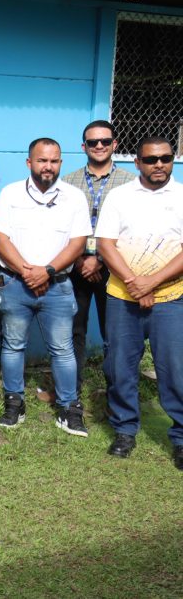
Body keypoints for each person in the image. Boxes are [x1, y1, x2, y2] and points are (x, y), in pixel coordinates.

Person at [0, 138, 91, 435]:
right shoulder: (11, 194)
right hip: (15, 284)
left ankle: (69, 408)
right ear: (29, 162)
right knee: (13, 345)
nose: (48, 166)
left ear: (60, 163)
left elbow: (78, 243)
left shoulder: (73, 197)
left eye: (55, 161)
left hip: (57, 286)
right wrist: (26, 271)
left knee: (62, 349)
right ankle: (14, 402)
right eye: (42, 160)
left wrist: (46, 271)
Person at [95, 136, 183, 470]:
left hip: (172, 299)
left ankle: (181, 438)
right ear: (137, 163)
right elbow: (106, 244)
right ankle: (124, 430)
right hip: (123, 298)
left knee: (175, 369)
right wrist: (135, 284)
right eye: (150, 160)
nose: (158, 165)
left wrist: (151, 282)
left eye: (165, 158)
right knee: (120, 367)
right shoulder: (120, 196)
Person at [63, 120, 134, 385]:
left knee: (114, 334)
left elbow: (131, 231)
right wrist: (81, 259)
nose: (100, 146)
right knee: (73, 331)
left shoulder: (130, 184)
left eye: (105, 141)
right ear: (84, 147)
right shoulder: (68, 183)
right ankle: (71, 390)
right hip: (76, 266)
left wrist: (101, 261)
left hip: (114, 268)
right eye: (93, 142)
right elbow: (62, 227)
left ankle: (114, 393)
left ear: (115, 144)